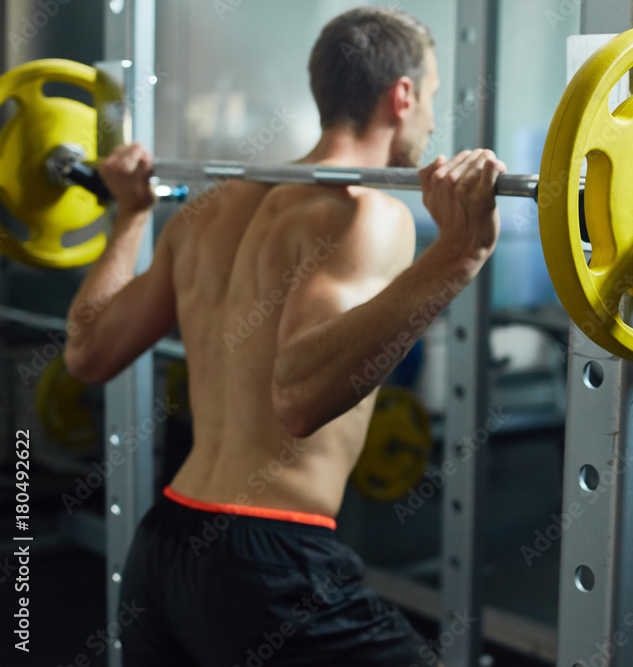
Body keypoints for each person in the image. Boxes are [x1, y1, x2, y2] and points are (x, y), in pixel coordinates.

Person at [63, 7, 504, 666]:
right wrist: (457, 257)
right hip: (267, 561)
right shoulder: (366, 214)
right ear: (402, 95)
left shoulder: (209, 211)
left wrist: (131, 217)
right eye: (434, 96)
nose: (436, 121)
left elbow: (87, 350)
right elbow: (297, 397)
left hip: (165, 544)